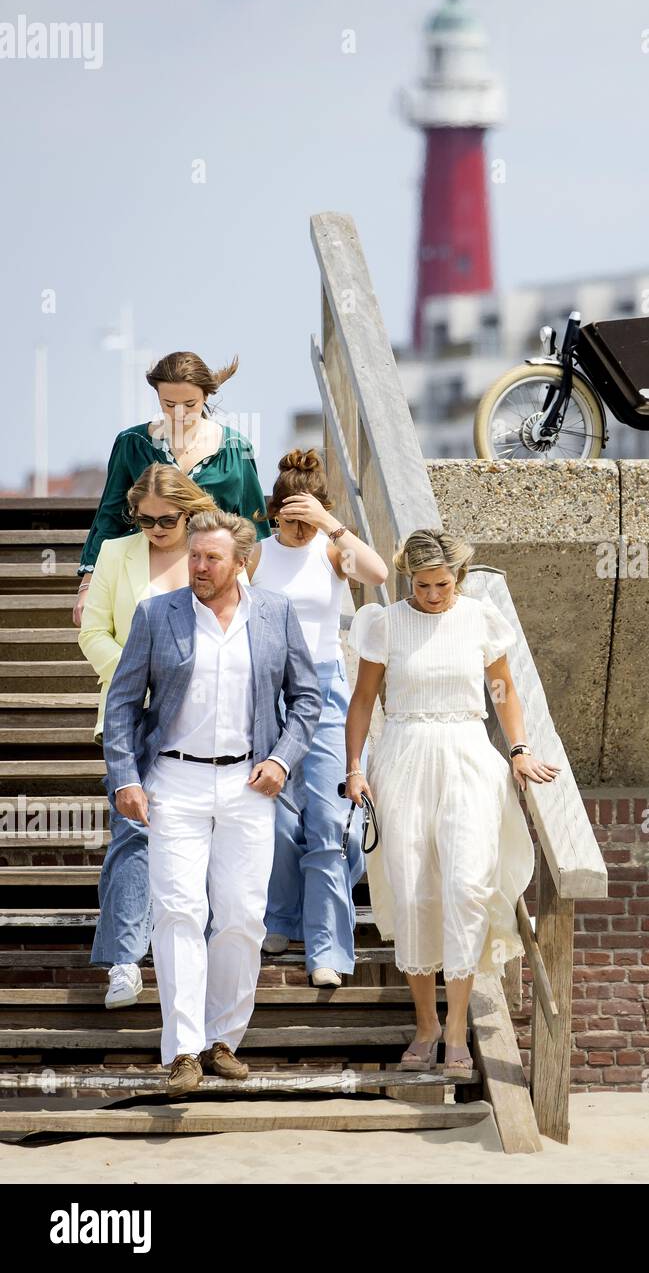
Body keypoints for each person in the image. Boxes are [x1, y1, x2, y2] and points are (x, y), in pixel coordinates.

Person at [102, 509, 321, 1095]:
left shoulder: (275, 614)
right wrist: (124, 777)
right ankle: (184, 1051)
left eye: (211, 558)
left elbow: (307, 700)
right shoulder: (157, 614)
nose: (198, 566)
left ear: (241, 562)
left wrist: (281, 759)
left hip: (250, 786)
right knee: (178, 913)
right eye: (194, 555)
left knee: (243, 915)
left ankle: (224, 1039)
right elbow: (121, 703)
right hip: (173, 784)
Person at [345, 528, 559, 1077]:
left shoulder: (479, 618)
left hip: (467, 756)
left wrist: (518, 749)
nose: (433, 594)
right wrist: (354, 768)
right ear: (406, 578)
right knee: (415, 893)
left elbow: (504, 692)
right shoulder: (387, 622)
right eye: (422, 584)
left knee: (465, 888)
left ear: (458, 579)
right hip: (403, 759)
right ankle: (426, 1025)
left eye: (442, 584)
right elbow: (364, 699)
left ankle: (459, 1029)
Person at [79, 465, 243, 1010]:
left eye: (165, 519)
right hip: (133, 712)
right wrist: (132, 676)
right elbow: (92, 630)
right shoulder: (115, 554)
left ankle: (197, 960)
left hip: (205, 719)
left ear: (190, 510)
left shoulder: (212, 555)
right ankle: (125, 962)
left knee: (208, 841)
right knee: (133, 833)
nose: (152, 528)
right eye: (142, 519)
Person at [247, 449, 388, 988]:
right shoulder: (257, 557)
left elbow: (377, 573)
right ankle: (280, 918)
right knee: (279, 817)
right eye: (292, 518)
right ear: (274, 512)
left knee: (329, 819)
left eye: (309, 517)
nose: (300, 529)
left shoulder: (332, 553)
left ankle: (327, 946)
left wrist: (332, 525)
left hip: (325, 687)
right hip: (271, 689)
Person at [73, 351, 270, 626]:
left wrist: (246, 587)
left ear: (206, 397)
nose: (179, 414)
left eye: (190, 404)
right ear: (157, 397)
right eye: (168, 404)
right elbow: (109, 517)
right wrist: (88, 585)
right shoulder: (132, 442)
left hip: (216, 572)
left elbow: (255, 524)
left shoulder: (237, 447)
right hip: (147, 573)